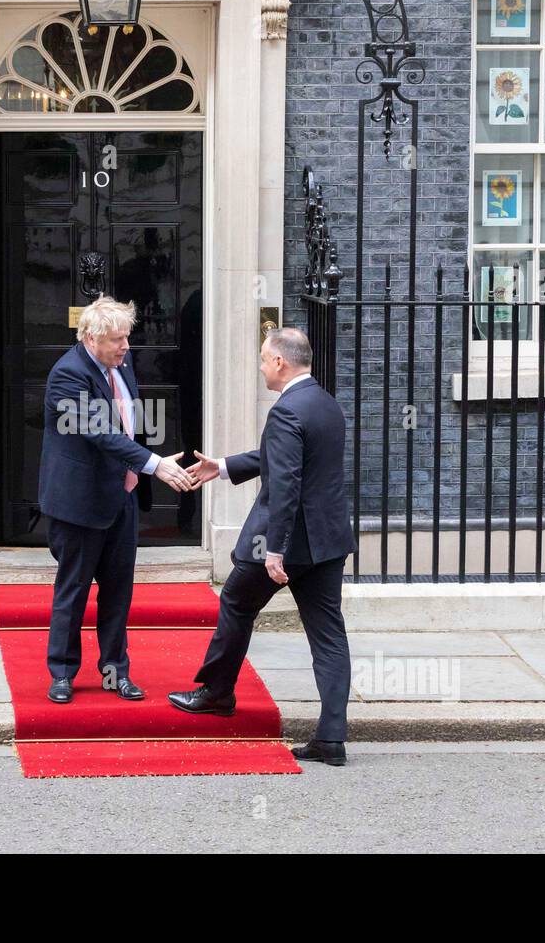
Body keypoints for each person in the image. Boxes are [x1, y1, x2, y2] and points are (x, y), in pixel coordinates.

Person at [167, 327, 356, 765]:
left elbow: (286, 483)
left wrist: (274, 550)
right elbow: (286, 457)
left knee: (235, 601)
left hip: (286, 542)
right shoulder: (324, 404)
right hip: (327, 541)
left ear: (279, 363)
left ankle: (216, 693)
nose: (259, 365)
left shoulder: (287, 410)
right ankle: (331, 738)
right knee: (328, 635)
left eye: (263, 357)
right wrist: (227, 466)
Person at [38, 296, 195, 704]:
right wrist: (152, 464)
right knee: (72, 590)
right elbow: (98, 431)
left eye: (127, 336)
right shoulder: (66, 375)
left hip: (120, 497)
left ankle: (114, 672)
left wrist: (139, 470)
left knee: (118, 591)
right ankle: (62, 674)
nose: (127, 346)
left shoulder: (120, 364)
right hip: (80, 502)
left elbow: (128, 423)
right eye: (118, 339)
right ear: (91, 337)